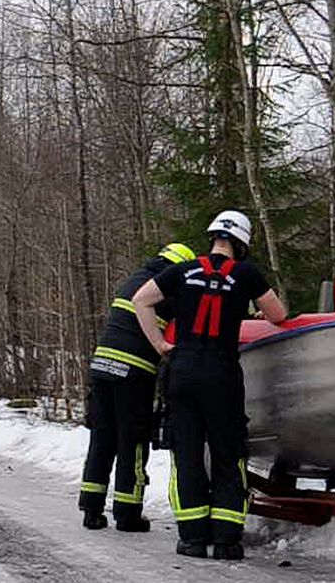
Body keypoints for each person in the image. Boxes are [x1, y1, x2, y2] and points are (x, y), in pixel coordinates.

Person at [131, 210, 287, 560]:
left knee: (186, 454)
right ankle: (227, 541)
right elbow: (278, 314)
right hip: (222, 374)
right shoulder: (246, 274)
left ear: (213, 236)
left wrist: (159, 344)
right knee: (228, 453)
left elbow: (140, 299)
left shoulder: (184, 271)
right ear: (242, 243)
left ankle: (192, 539)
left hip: (183, 371)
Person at [78, 242, 196, 533]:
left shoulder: (134, 279)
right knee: (133, 441)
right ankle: (128, 512)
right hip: (133, 370)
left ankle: (91, 509)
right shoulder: (168, 286)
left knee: (102, 438)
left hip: (102, 365)